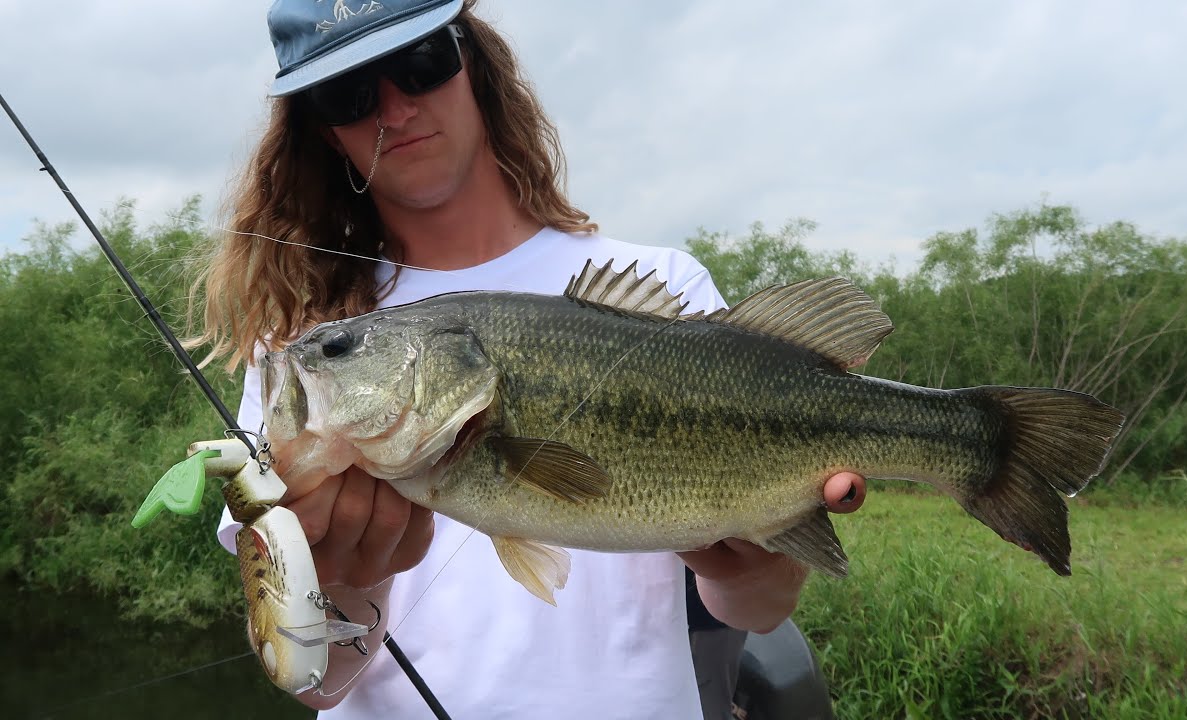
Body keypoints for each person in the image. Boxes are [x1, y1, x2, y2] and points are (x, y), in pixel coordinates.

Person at [193, 1, 866, 717]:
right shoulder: (307, 347)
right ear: (322, 130)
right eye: (347, 93)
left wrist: (754, 561)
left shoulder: (669, 285)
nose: (394, 108)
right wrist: (349, 582)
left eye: (421, 63)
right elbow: (313, 680)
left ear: (474, 65)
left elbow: (759, 609)